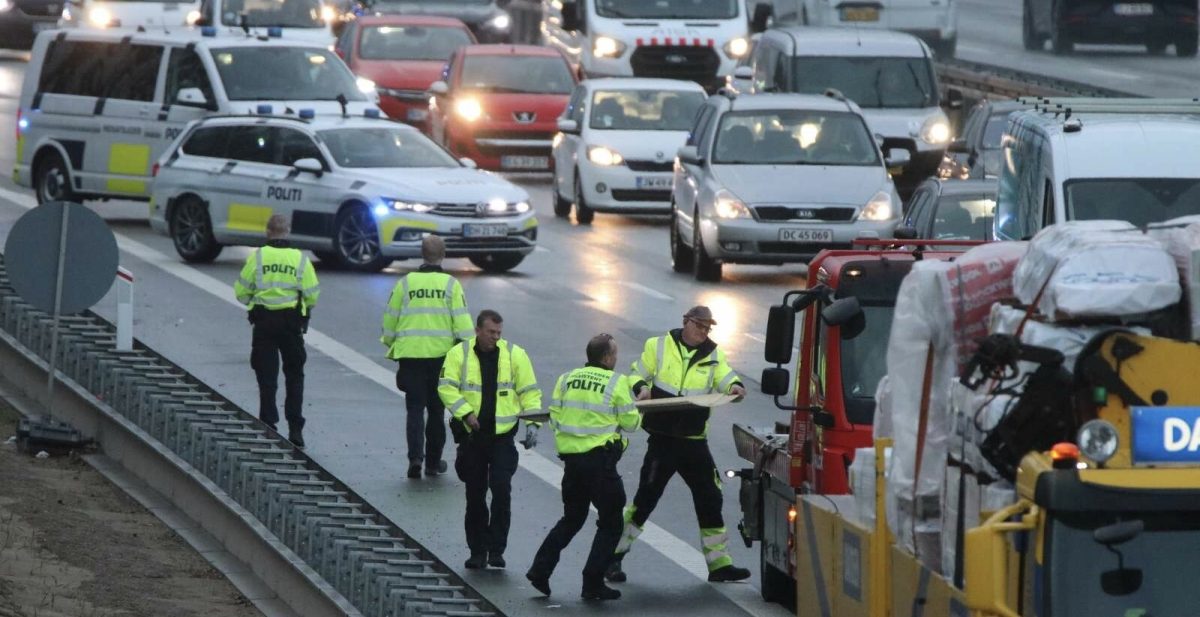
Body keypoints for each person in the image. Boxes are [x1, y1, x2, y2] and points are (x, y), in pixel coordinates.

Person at [607, 306, 750, 583]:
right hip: (663, 440)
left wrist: (734, 386)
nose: (704, 332)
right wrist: (640, 389)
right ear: (685, 322)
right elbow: (636, 373)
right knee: (645, 501)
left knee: (711, 497)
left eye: (708, 328)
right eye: (700, 326)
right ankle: (611, 558)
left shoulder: (713, 354)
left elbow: (725, 376)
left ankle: (719, 565)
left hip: (694, 442)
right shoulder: (658, 346)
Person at [526, 334, 641, 602]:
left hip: (572, 464)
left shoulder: (566, 379)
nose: (617, 358)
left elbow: (555, 416)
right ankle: (592, 583)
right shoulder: (616, 381)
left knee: (572, 519)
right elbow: (632, 422)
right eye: (615, 354)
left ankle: (539, 570)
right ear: (607, 358)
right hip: (600, 463)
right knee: (612, 523)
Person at [439, 310, 541, 570]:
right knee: (475, 495)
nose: (495, 337)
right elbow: (446, 387)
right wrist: (466, 413)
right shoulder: (458, 354)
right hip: (473, 439)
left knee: (501, 490)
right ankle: (477, 551)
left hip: (502, 439)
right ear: (478, 330)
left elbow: (529, 392)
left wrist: (533, 424)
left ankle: (496, 549)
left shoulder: (514, 354)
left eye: (499, 333)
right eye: (491, 332)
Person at [381, 236, 473, 479]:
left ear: (422, 254)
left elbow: (390, 319)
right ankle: (433, 463)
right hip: (441, 358)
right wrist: (466, 356)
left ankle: (415, 459)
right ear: (443, 255)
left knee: (414, 409)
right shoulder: (451, 285)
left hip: (411, 356)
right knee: (436, 411)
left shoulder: (406, 283)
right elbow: (463, 326)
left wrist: (391, 344)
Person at [233, 214, 320, 448]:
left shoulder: (258, 258)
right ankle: (295, 428)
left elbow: (241, 293)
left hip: (264, 322)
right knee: (294, 375)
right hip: (291, 323)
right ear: (287, 231)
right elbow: (312, 294)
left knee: (266, 376)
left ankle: (268, 423)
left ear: (267, 232)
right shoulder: (300, 260)